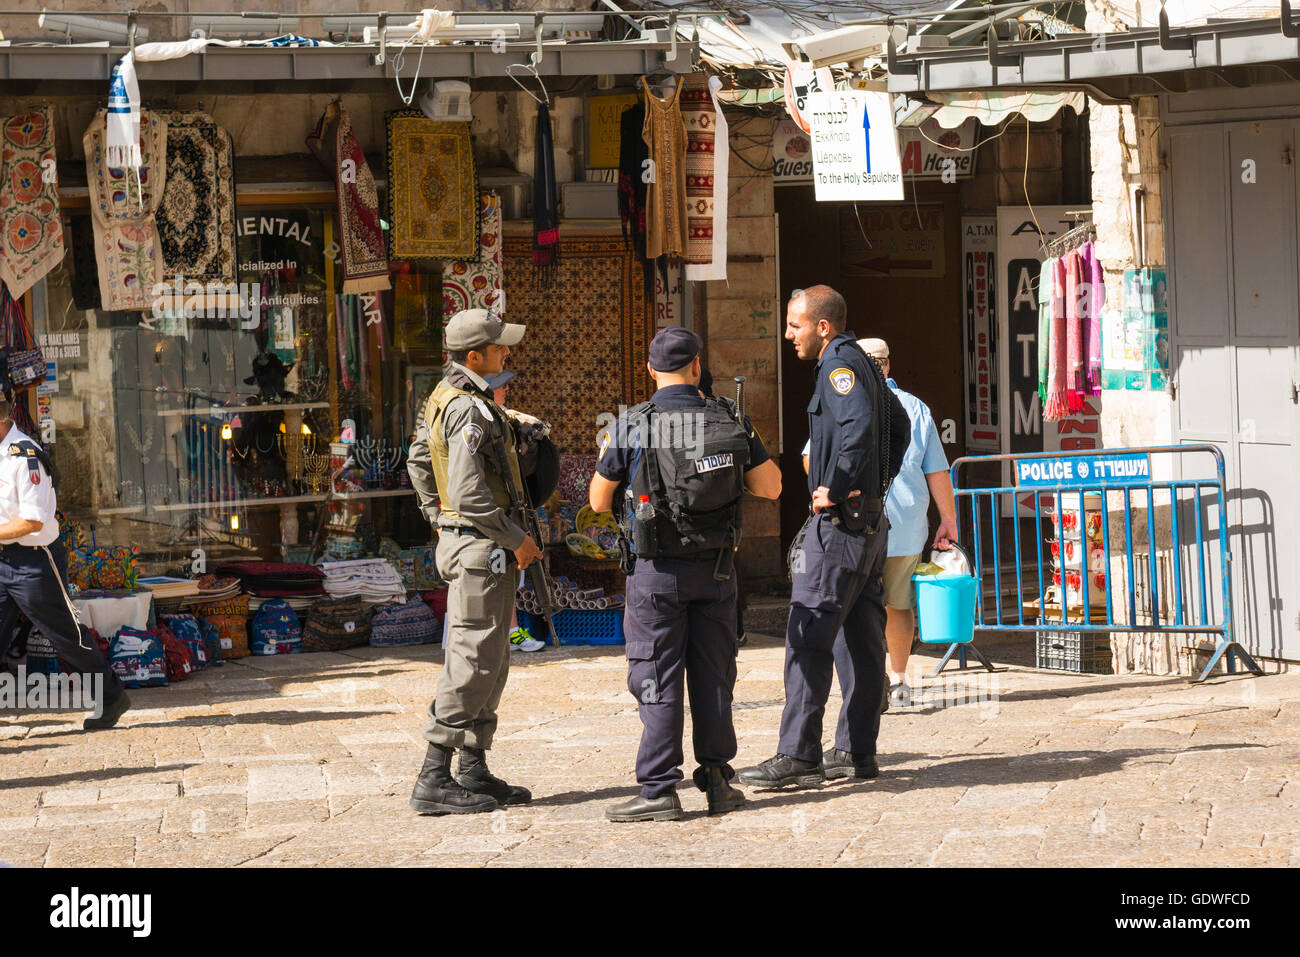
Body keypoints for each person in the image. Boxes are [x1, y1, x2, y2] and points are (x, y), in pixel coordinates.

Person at [590, 327, 781, 821]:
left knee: (656, 677)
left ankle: (658, 790)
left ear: (651, 371)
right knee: (714, 676)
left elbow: (597, 499)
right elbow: (772, 487)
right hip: (717, 572)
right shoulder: (729, 416)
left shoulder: (632, 424)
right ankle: (718, 781)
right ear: (698, 366)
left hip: (655, 575)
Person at [739, 286, 909, 790]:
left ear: (823, 326)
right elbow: (897, 426)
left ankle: (799, 756)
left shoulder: (839, 365)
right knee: (860, 642)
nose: (788, 334)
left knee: (807, 637)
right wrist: (875, 487)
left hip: (841, 529)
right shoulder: (859, 361)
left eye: (795, 325)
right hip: (869, 525)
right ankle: (856, 752)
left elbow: (860, 428)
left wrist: (836, 488)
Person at [406, 308, 541, 816]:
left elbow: (419, 460)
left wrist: (437, 517)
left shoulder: (443, 400)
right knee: (473, 658)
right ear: (475, 356)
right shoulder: (466, 408)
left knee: (491, 658)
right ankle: (434, 775)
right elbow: (465, 489)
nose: (506, 353)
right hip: (484, 547)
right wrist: (514, 538)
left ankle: (472, 767)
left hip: (477, 544)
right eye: (499, 347)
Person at [799, 338, 958, 707]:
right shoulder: (915, 408)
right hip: (904, 525)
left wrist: (828, 490)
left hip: (853, 525)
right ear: (888, 366)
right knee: (897, 605)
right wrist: (947, 518)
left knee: (850, 606)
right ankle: (898, 680)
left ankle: (864, 684)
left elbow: (809, 457)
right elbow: (937, 470)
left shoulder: (843, 400)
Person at [0, 398, 129, 730]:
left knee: (64, 636)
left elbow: (33, 521)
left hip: (34, 559)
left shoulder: (25, 457)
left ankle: (111, 695)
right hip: (2, 557)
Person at [486, 369, 545, 654]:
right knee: (495, 572)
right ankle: (505, 632)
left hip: (508, 506)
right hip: (489, 510)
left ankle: (510, 630)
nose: (506, 388)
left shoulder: (504, 417)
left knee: (509, 571)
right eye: (499, 386)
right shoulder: (480, 420)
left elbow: (540, 430)